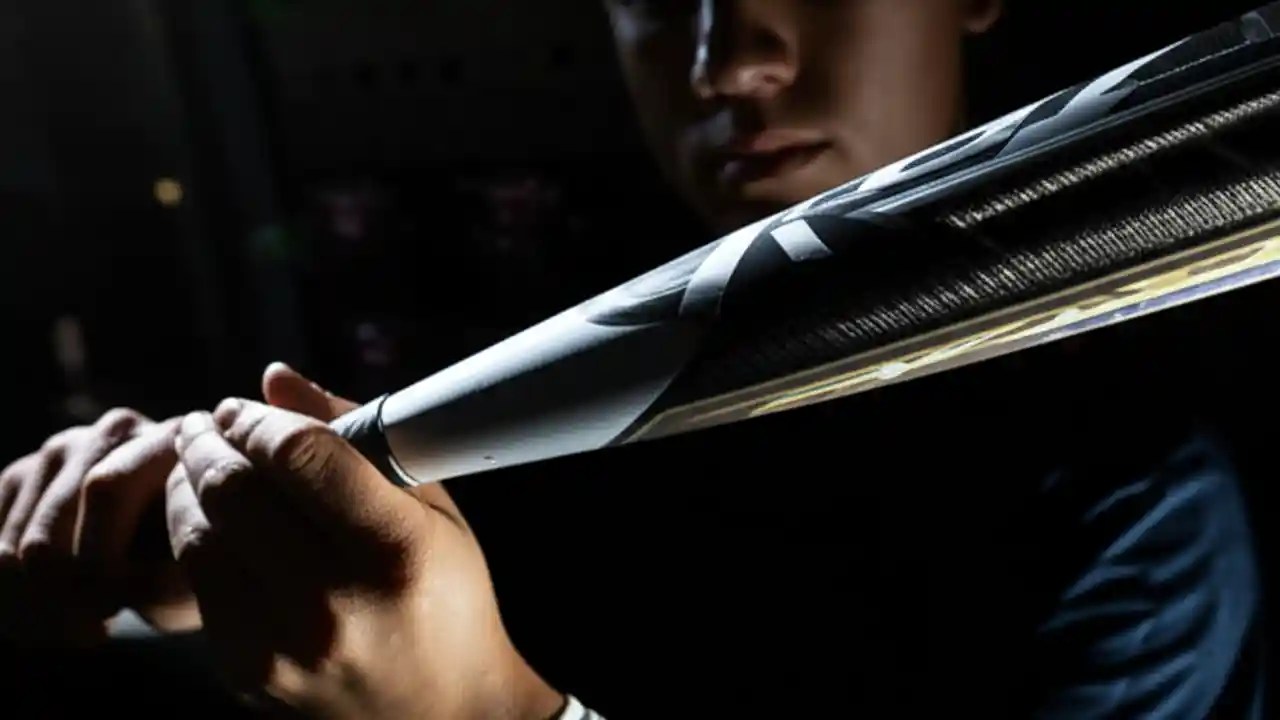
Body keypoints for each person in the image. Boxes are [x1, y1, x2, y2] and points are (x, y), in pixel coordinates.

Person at [0, 1, 1265, 717]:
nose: (727, 59)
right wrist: (208, 520)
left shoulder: (1143, 502)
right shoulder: (555, 340)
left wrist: (488, 716)